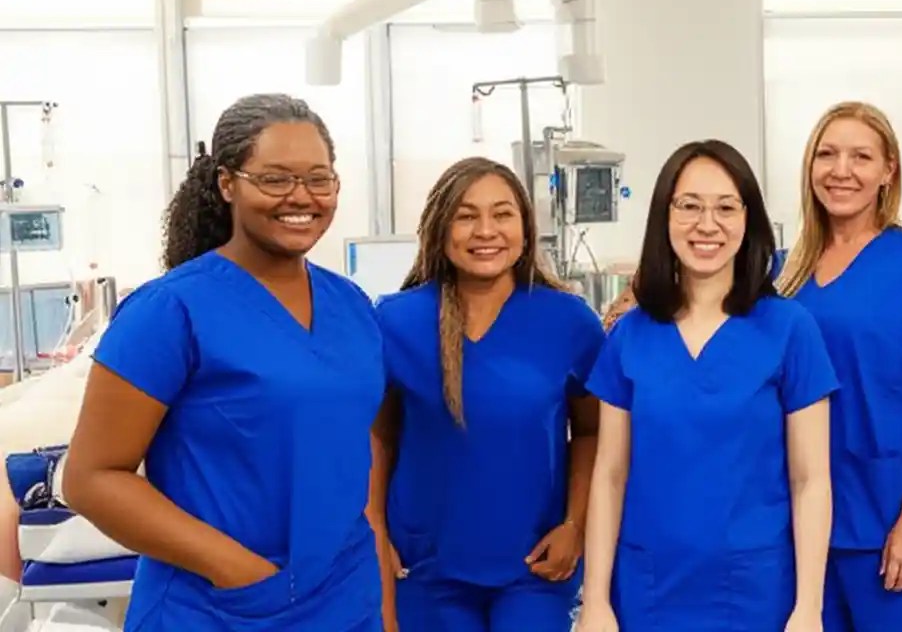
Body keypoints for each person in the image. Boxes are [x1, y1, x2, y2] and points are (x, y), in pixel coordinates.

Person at [61, 93, 386, 631]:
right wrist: (238, 571)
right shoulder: (170, 309)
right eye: (276, 179)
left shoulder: (351, 305)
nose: (300, 197)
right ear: (227, 183)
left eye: (319, 179)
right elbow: (92, 477)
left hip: (343, 598)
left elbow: (353, 444)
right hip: (221, 607)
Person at [576, 140, 837, 632]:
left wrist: (809, 607)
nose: (707, 224)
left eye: (725, 207)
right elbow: (609, 475)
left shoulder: (789, 329)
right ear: (665, 217)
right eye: (689, 206)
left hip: (757, 588)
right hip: (648, 586)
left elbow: (811, 481)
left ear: (748, 220)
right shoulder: (630, 336)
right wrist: (595, 602)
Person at [370, 157, 604, 632]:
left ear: (524, 227)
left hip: (533, 565)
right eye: (466, 215)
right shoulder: (396, 322)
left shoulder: (569, 322)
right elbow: (379, 437)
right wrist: (375, 533)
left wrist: (575, 525)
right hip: (425, 566)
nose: (486, 230)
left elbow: (592, 432)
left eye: (502, 214)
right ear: (440, 229)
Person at [774, 101, 902, 632]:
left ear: (888, 171)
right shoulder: (780, 273)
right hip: (795, 524)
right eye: (827, 154)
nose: (841, 170)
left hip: (888, 516)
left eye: (861, 156)